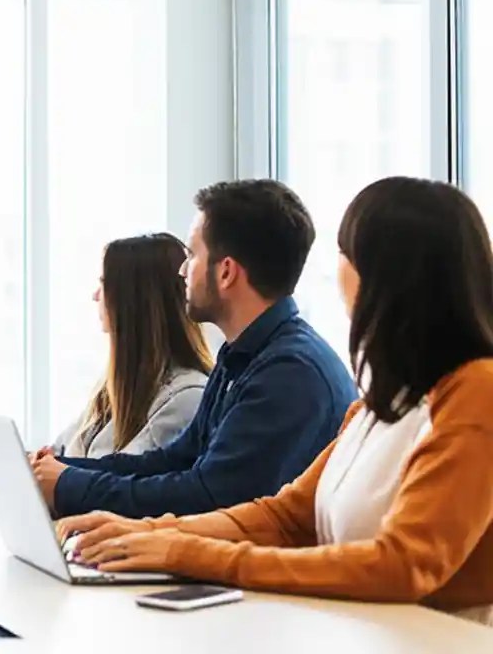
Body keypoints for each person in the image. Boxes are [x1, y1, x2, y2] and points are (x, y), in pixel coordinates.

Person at [59, 178, 493, 626]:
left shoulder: (476, 391)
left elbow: (401, 565)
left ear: (384, 273)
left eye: (342, 254)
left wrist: (186, 552)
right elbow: (286, 518)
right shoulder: (378, 404)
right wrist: (146, 532)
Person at [30, 180, 357, 519]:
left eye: (192, 255)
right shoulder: (243, 358)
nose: (182, 270)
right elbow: (172, 460)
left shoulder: (290, 374)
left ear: (226, 272)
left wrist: (70, 486)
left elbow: (206, 498)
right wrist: (60, 470)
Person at [0, 234, 213, 489]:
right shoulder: (113, 391)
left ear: (131, 300)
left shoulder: (186, 398)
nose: (94, 296)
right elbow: (51, 460)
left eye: (103, 285)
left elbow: (108, 487)